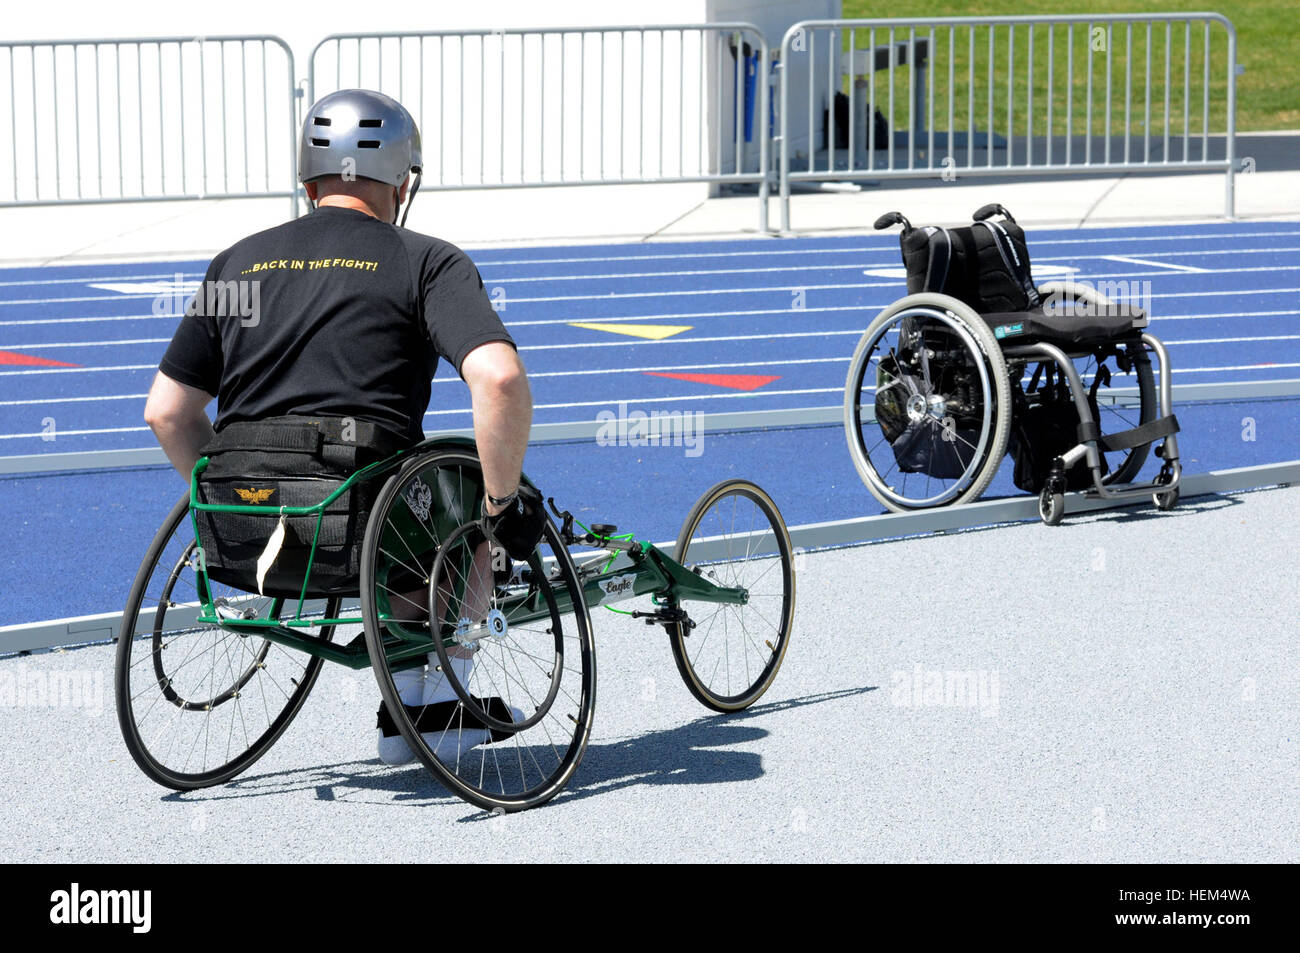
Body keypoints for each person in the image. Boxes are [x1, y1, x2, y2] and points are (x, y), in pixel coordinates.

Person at [144, 88, 541, 766]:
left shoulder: (234, 262)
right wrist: (503, 508)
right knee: (473, 494)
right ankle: (438, 706)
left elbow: (167, 411)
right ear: (403, 181)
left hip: (249, 532)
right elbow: (499, 379)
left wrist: (234, 496)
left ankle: (418, 706)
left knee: (398, 493)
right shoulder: (425, 260)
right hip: (366, 525)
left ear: (306, 181)